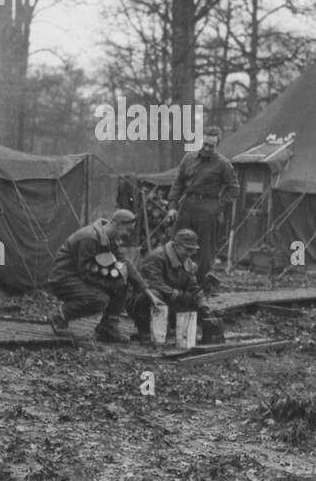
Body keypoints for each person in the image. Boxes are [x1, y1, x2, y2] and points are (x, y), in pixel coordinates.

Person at [47, 209, 162, 342]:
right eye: (128, 230)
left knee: (120, 281)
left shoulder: (109, 239)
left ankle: (108, 326)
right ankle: (59, 316)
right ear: (117, 223)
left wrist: (149, 293)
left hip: (79, 277)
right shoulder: (89, 237)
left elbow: (125, 264)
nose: (128, 234)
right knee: (99, 299)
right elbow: (85, 271)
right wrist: (109, 283)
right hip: (63, 279)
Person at [166, 125, 238, 291]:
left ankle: (198, 286)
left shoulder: (223, 164)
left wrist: (218, 206)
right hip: (187, 206)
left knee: (204, 251)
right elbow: (177, 184)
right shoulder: (188, 159)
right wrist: (172, 206)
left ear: (217, 145)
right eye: (204, 144)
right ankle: (174, 282)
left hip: (208, 210)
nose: (206, 148)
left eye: (211, 146)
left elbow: (234, 189)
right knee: (178, 243)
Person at [127, 228, 225, 344]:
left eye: (192, 250)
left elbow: (193, 287)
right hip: (141, 300)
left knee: (195, 300)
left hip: (169, 301)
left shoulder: (187, 262)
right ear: (177, 245)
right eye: (187, 249)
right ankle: (145, 330)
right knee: (154, 295)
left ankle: (173, 326)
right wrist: (177, 295)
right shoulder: (157, 257)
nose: (189, 254)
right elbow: (152, 282)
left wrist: (204, 306)